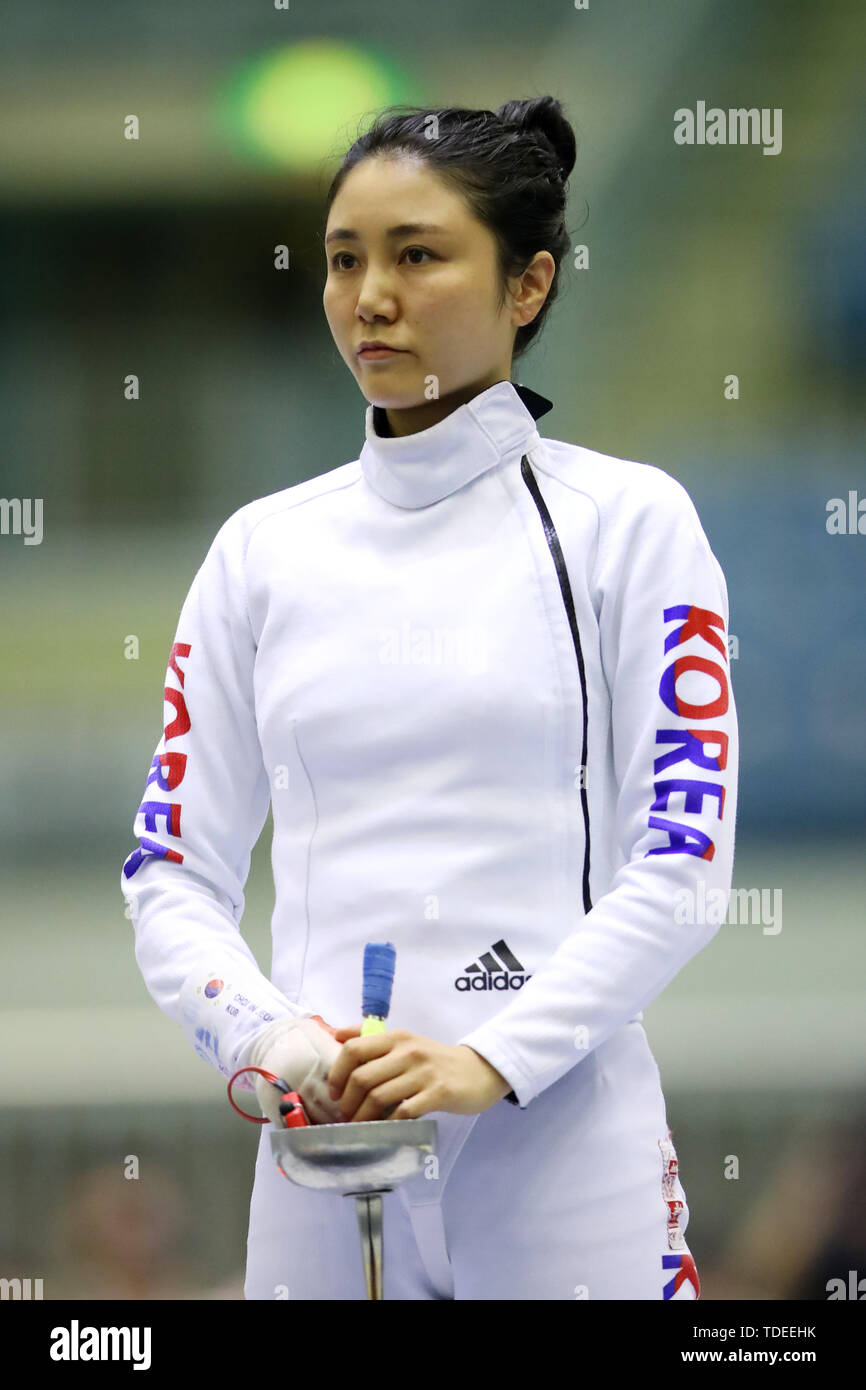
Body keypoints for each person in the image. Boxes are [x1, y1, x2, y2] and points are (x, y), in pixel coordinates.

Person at [120, 96, 739, 1300]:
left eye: (417, 254)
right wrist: (264, 1037)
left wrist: (485, 1061)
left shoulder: (629, 524)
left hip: (562, 1152)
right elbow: (168, 871)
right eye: (345, 258)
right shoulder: (259, 551)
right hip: (320, 1155)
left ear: (526, 285)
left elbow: (681, 863)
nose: (369, 296)